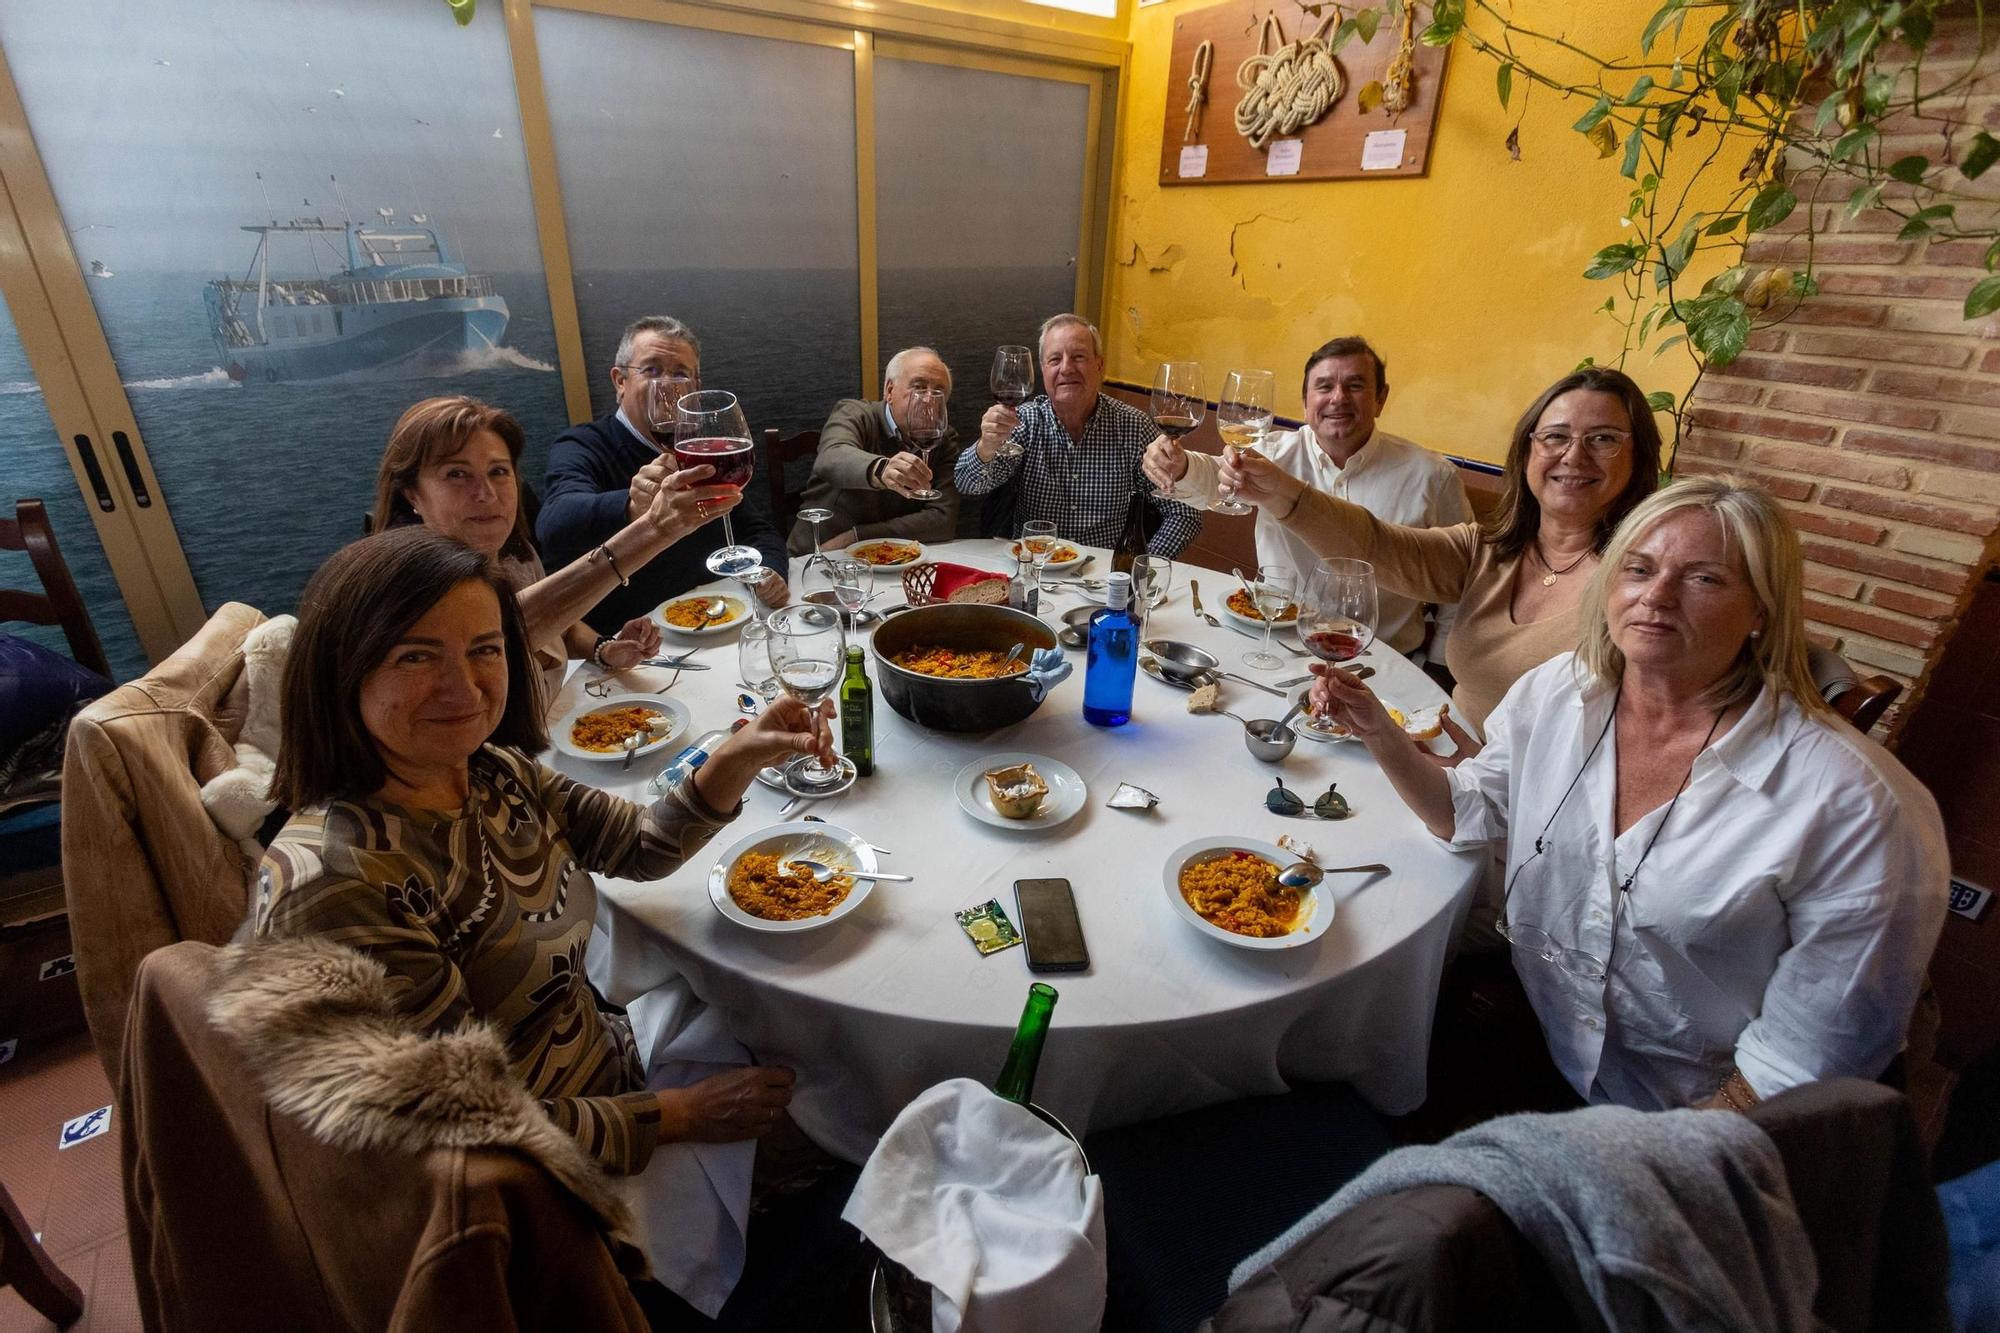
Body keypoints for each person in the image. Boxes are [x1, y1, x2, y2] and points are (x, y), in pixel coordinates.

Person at [248, 526, 837, 1309]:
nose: (463, 686)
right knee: (853, 1192)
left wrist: (738, 755)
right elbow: (470, 1132)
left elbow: (636, 843)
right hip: (538, 1208)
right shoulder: (337, 884)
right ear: (342, 671)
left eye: (484, 649)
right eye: (416, 655)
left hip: (602, 1070)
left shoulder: (486, 771)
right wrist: (681, 1114)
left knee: (814, 1069)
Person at [1307, 475, 1950, 1113]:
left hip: (1695, 1121)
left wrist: (1622, 1162)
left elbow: (1794, 1075)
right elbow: (1462, 811)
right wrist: (1374, 727)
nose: (1657, 596)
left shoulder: (1855, 806)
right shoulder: (1559, 691)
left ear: (1762, 611)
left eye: (1704, 578)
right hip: (1545, 1043)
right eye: (1638, 569)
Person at [1211, 366, 1662, 739]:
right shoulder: (1487, 549)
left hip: (1534, 813)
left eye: (1603, 439)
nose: (1573, 455)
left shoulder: (1644, 587)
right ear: (1527, 451)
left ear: (1638, 456)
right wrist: (1281, 491)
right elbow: (1378, 547)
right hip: (1447, 765)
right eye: (1555, 436)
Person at [372, 395, 741, 706]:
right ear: (412, 495)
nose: (485, 493)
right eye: (456, 474)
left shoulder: (515, 556)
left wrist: (603, 648)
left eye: (499, 472)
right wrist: (657, 529)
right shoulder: (404, 588)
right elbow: (502, 631)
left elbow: (554, 626)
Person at [1143, 336, 1472, 657]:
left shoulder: (1432, 476)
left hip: (1384, 659)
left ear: (1381, 399)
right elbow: (1216, 477)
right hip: (1277, 647)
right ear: (1305, 403)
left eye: (1355, 386)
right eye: (1325, 387)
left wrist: (1443, 663)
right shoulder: (1271, 453)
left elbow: (1461, 584)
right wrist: (1181, 465)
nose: (1338, 398)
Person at [537, 316, 789, 633]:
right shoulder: (583, 445)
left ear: (695, 388)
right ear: (620, 381)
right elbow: (554, 524)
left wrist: (769, 570)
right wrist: (631, 505)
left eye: (679, 374)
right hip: (628, 639)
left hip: (712, 621)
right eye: (652, 370)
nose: (666, 385)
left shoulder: (698, 451)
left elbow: (756, 529)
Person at [955, 313, 1201, 556]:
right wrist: (985, 447)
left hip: (1103, 578)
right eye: (1054, 359)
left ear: (1099, 365)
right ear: (1043, 370)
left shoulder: (1133, 427)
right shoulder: (1023, 423)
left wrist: (1142, 567)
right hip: (1036, 569)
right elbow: (967, 484)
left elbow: (1185, 512)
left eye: (1078, 357)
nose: (1066, 368)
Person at [786, 346, 961, 555]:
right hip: (819, 555)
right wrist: (881, 470)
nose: (928, 399)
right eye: (919, 387)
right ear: (889, 391)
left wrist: (858, 537)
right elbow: (831, 458)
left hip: (892, 560)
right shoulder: (856, 414)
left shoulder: (944, 439)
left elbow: (943, 520)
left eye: (938, 392)